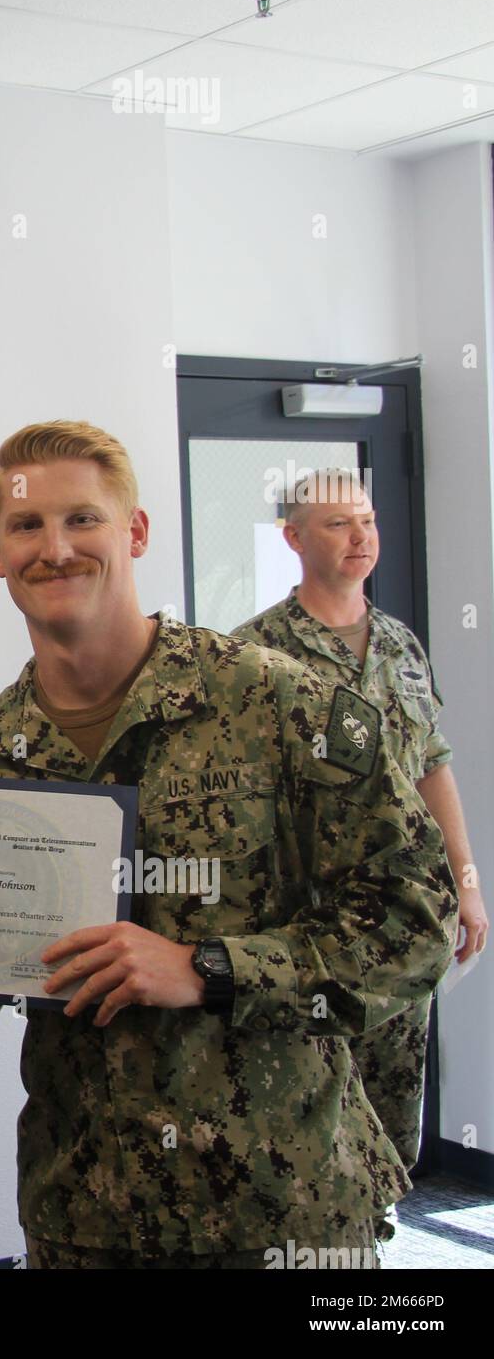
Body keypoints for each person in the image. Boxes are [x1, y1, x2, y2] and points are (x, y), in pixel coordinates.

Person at [0, 421, 457, 1270]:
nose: (54, 548)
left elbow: (414, 919)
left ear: (134, 532)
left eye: (83, 520)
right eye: (26, 527)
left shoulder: (281, 707)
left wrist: (207, 968)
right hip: (84, 1218)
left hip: (280, 1211)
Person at [232, 469, 486, 1201]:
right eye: (339, 523)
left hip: (406, 924)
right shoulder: (255, 657)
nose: (361, 537)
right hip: (310, 930)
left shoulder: (400, 645)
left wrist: (464, 884)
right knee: (307, 1129)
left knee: (392, 1126)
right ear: (293, 537)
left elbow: (432, 765)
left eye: (368, 521)